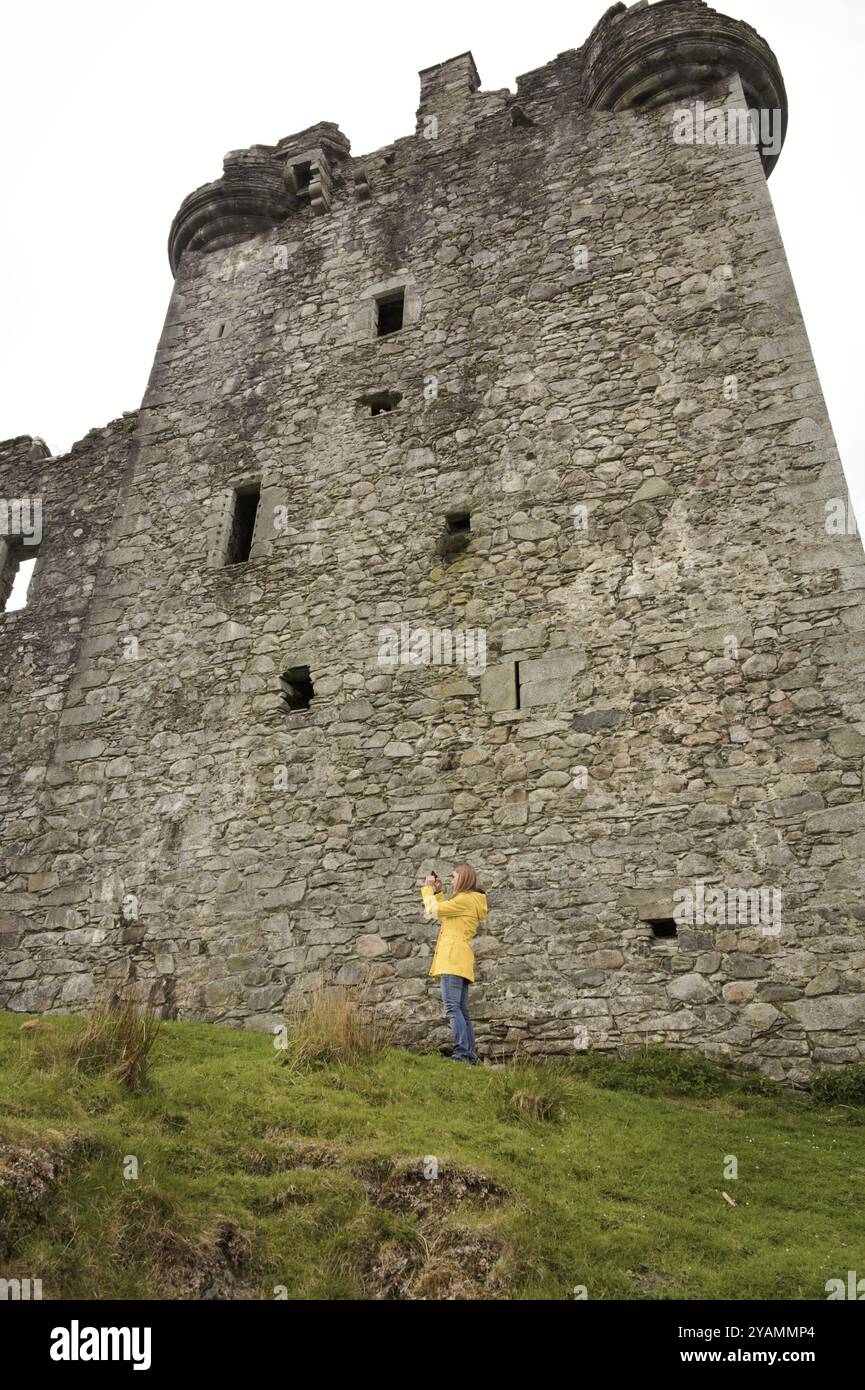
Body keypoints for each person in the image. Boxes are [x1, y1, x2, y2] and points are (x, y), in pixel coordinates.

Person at [421, 864, 488, 1064]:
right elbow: (446, 915)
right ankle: (469, 1055)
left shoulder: (464, 900)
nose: (451, 881)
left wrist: (427, 889)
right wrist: (439, 892)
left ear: (463, 878)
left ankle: (461, 1055)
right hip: (461, 960)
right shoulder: (470, 901)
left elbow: (433, 910)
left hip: (451, 960)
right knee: (462, 1011)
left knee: (452, 1008)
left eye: (453, 877)